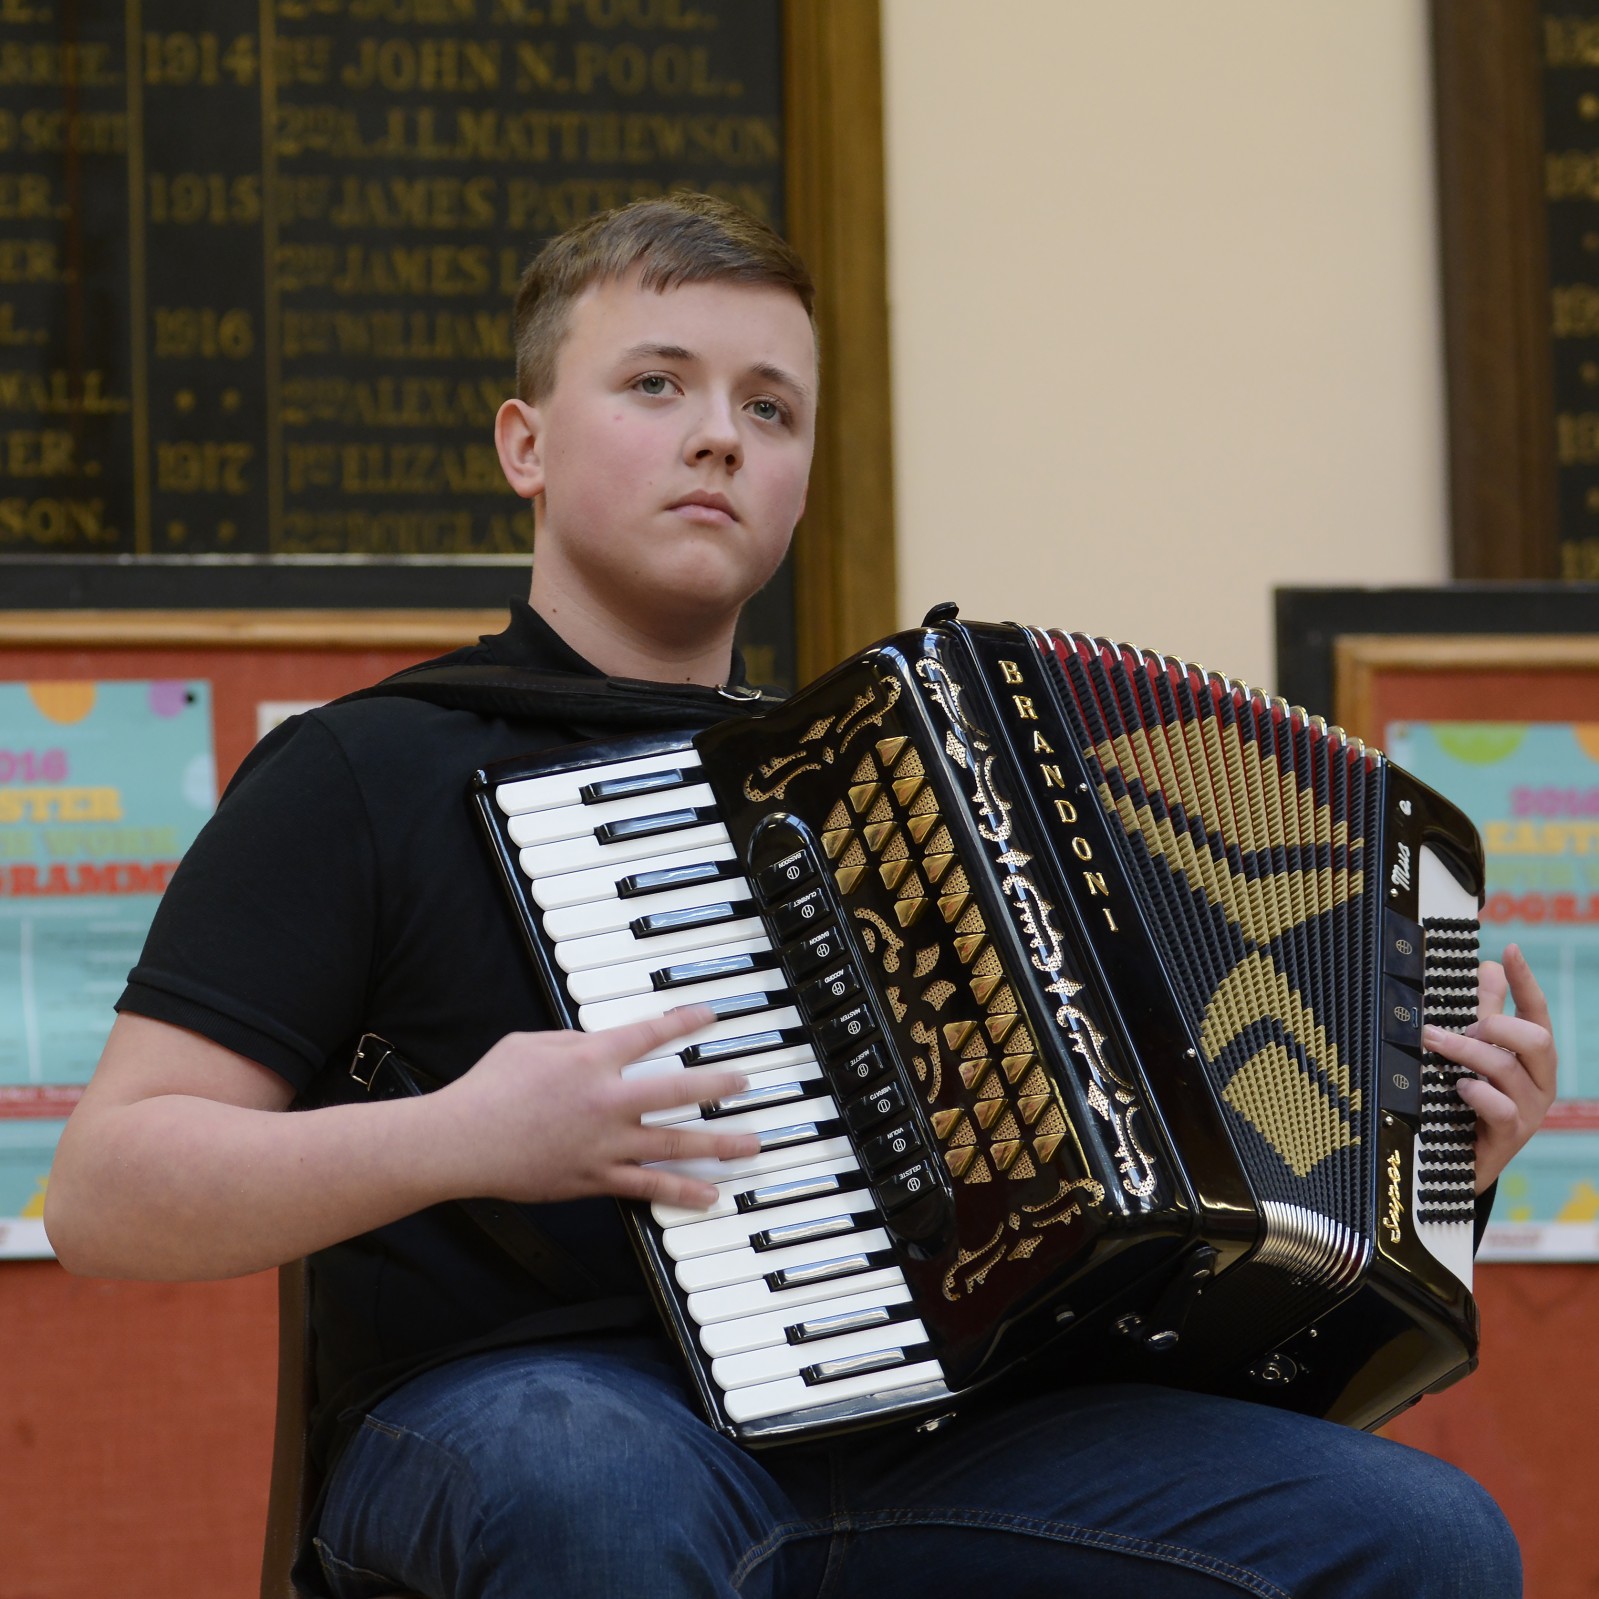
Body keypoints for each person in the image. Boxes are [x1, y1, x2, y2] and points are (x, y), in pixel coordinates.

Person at [45, 194, 1556, 1599]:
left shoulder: (903, 787)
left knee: (1423, 1534)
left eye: (768, 409)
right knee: (594, 1480)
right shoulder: (366, 773)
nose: (719, 438)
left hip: (933, 1425)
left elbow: (1126, 1235)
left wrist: (1427, 1154)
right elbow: (108, 1194)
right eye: (656, 386)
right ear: (525, 444)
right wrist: (471, 1134)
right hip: (528, 1406)